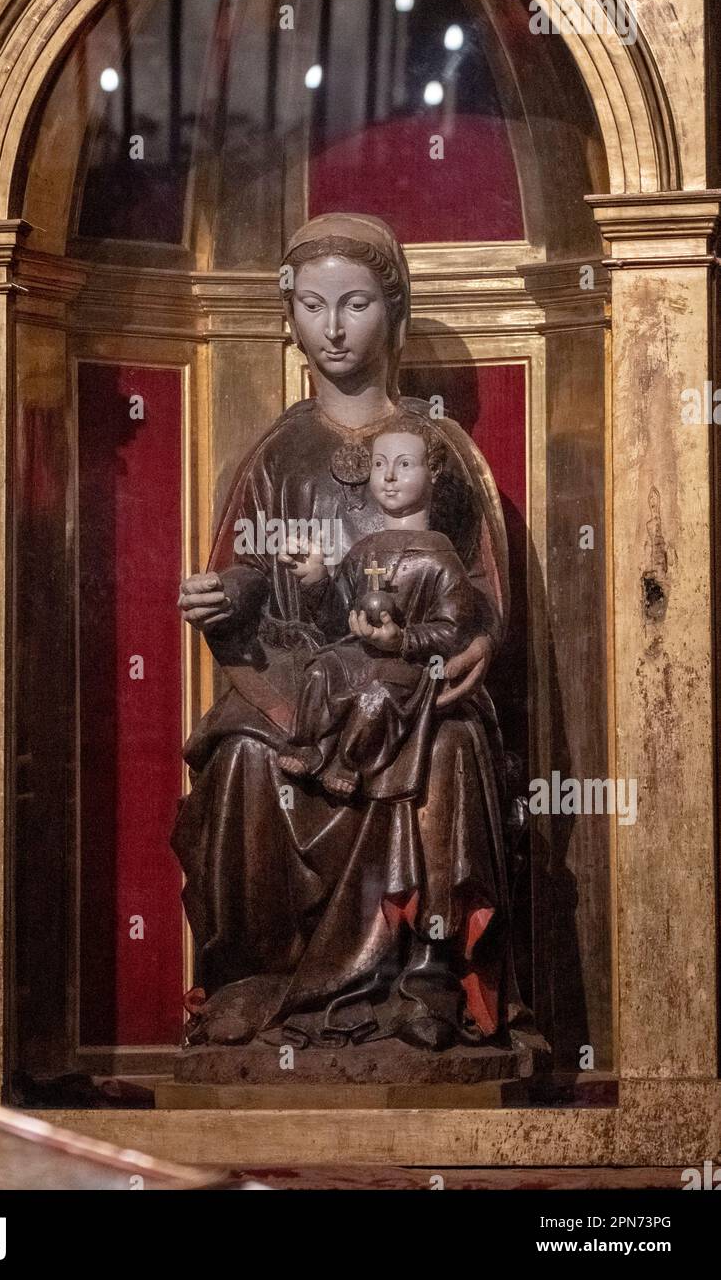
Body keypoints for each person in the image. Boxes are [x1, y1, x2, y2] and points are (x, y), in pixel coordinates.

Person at [173, 212, 528, 1051]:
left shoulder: (438, 450)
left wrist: (479, 640)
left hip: (419, 686)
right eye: (313, 305)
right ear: (288, 318)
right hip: (304, 679)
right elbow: (251, 565)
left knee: (443, 755)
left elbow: (482, 588)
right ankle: (262, 976)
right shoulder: (275, 453)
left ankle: (426, 977)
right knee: (244, 760)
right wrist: (226, 593)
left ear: (392, 310)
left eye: (357, 303)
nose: (332, 327)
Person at [279, 420, 478, 801]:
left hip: (411, 665)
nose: (388, 476)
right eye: (379, 464)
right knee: (321, 670)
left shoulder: (441, 556)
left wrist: (402, 639)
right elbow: (338, 619)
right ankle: (310, 746)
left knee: (378, 694)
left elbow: (454, 631)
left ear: (433, 471)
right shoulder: (365, 550)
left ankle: (351, 762)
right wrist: (318, 578)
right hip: (360, 653)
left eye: (404, 464)